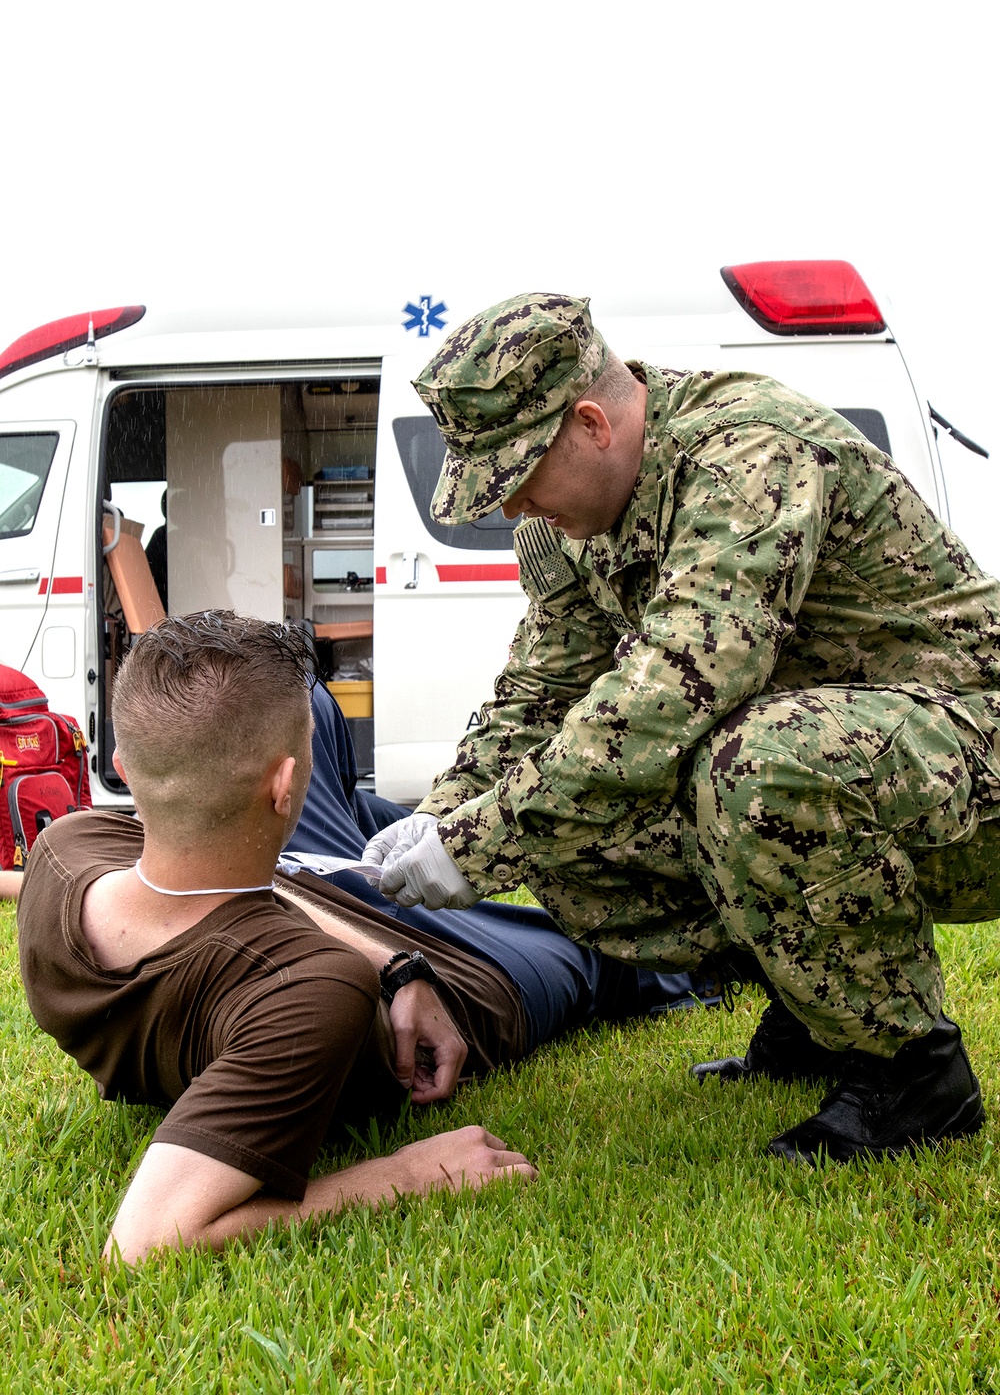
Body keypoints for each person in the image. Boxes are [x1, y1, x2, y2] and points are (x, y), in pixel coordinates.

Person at [364, 291, 1000, 1166]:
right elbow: (537, 698)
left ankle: (914, 1074)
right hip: (865, 768)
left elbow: (664, 697)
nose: (511, 511)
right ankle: (820, 1011)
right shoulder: (574, 525)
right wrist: (443, 814)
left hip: (974, 763)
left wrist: (480, 841)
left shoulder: (748, 458)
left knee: (753, 768)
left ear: (590, 422)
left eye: (517, 479)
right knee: (575, 835)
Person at [16, 610, 708, 1264]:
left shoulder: (68, 849)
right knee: (602, 953)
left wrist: (398, 969)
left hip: (296, 877)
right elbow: (147, 1240)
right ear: (286, 786)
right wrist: (405, 1173)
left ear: (125, 770)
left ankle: (362, 818)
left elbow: (227, 869)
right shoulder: (308, 989)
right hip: (471, 980)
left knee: (301, 700)